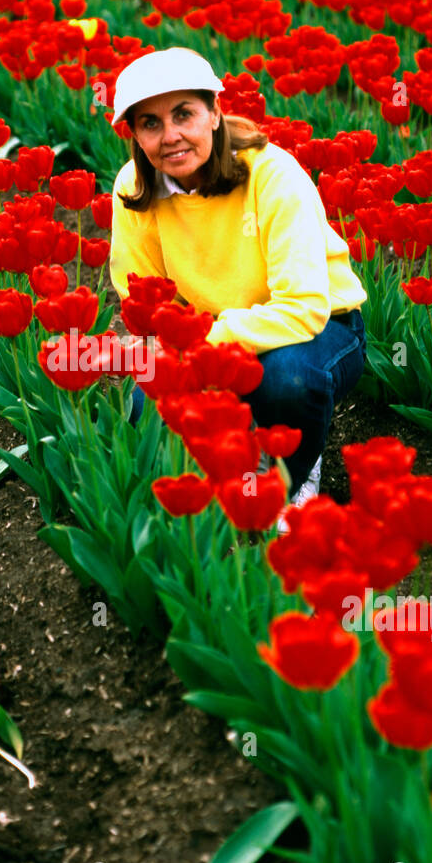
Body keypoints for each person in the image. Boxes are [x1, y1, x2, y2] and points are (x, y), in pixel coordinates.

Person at [107, 47, 368, 522]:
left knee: (285, 380)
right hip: (215, 334)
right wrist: (185, 353)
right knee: (149, 407)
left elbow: (304, 308)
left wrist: (208, 344)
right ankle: (212, 485)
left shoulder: (273, 176)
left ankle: (293, 472)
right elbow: (139, 295)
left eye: (184, 114)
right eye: (150, 123)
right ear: (136, 135)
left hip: (320, 331)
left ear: (215, 113)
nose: (171, 136)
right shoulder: (134, 190)